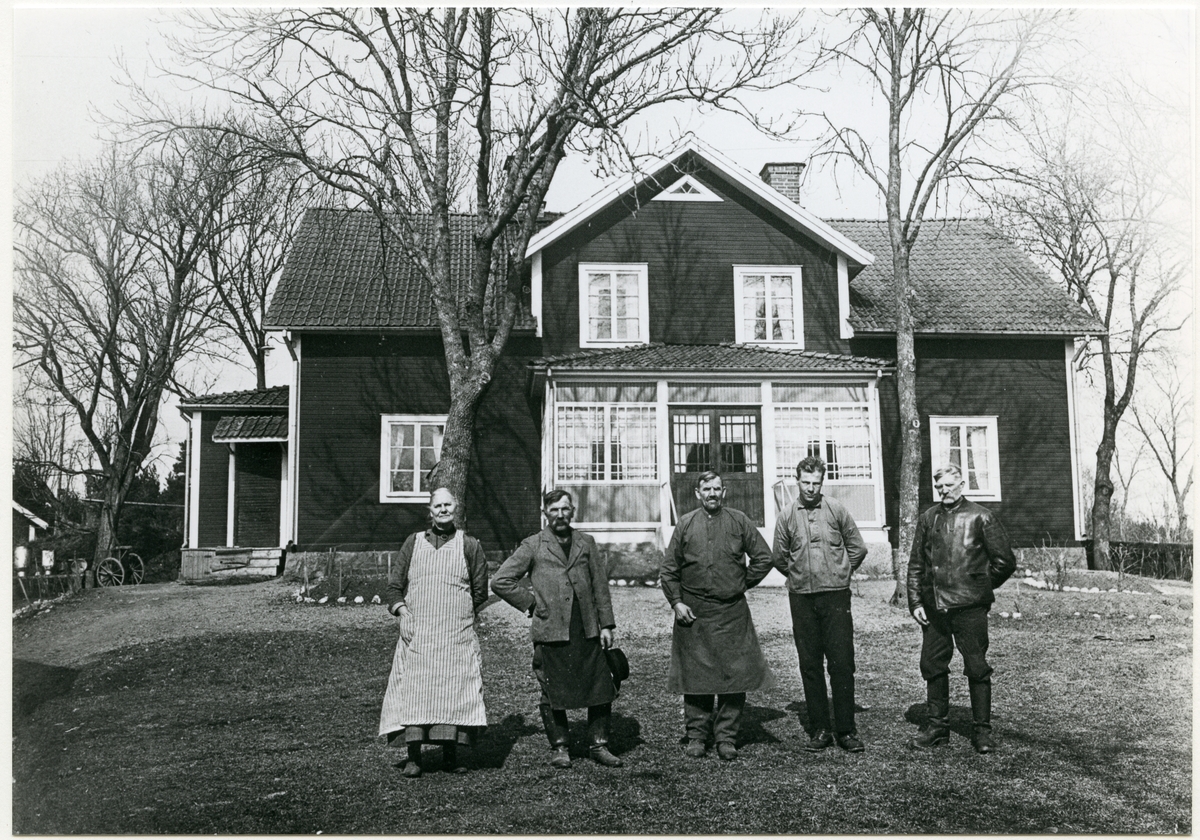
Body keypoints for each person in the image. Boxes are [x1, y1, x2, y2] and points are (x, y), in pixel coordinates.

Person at [492, 490, 622, 769]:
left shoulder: (586, 543)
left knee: (600, 685)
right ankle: (560, 747)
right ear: (545, 514)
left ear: (572, 511)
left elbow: (600, 586)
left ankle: (599, 745)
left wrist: (607, 625)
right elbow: (501, 580)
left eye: (565, 509)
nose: (560, 515)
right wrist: (531, 604)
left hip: (586, 628)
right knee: (552, 689)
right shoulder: (533, 544)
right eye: (554, 510)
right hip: (551, 629)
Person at [660, 471, 775, 761]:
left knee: (733, 676)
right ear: (697, 494)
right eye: (706, 489)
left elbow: (764, 558)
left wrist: (741, 583)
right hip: (694, 613)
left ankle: (726, 737)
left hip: (731, 612)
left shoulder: (739, 521)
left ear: (724, 492)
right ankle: (697, 736)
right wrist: (677, 602)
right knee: (696, 677)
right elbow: (669, 570)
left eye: (717, 489)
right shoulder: (686, 524)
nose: (712, 494)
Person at [378, 488, 489, 777]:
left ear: (456, 508)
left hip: (454, 635)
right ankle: (414, 758)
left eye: (447, 505)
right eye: (437, 505)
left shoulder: (470, 545)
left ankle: (450, 756)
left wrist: (458, 614)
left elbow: (480, 591)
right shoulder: (413, 542)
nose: (443, 510)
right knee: (415, 693)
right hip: (419, 635)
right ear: (430, 510)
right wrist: (403, 612)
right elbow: (393, 587)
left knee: (452, 692)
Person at [907, 464, 1016, 754]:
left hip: (970, 610)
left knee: (977, 667)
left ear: (961, 484)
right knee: (932, 665)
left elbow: (1005, 562)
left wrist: (978, 587)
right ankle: (937, 728)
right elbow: (916, 564)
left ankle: (982, 732)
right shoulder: (928, 518)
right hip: (934, 609)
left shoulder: (982, 516)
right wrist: (916, 602)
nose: (944, 491)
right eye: (939, 486)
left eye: (949, 485)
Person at [773, 456, 868, 753]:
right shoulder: (787, 515)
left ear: (822, 482)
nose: (811, 488)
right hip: (802, 598)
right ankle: (820, 729)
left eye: (816, 482)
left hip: (835, 596)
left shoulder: (836, 509)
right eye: (805, 482)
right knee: (810, 664)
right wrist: (799, 575)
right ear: (797, 481)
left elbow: (858, 548)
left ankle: (846, 730)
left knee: (841, 663)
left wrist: (840, 572)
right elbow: (779, 556)